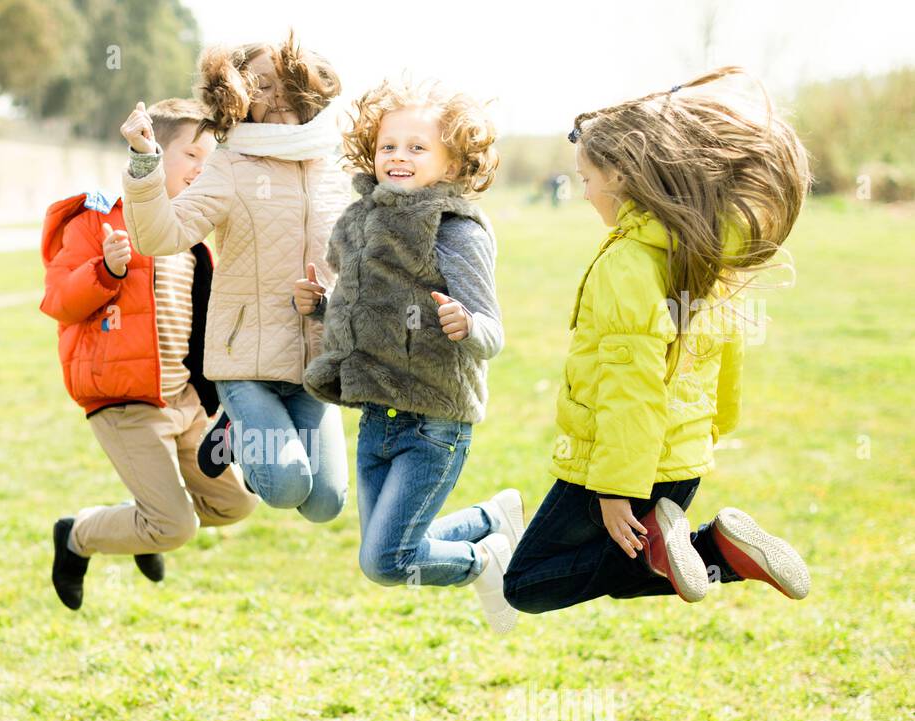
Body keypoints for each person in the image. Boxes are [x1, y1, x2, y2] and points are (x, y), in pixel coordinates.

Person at [503, 68, 812, 614]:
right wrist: (711, 432)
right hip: (684, 457)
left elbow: (632, 381)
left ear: (621, 176)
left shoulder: (628, 263)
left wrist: (614, 488)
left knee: (527, 584)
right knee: (629, 573)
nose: (585, 194)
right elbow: (726, 359)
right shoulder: (705, 250)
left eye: (586, 180)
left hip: (625, 464)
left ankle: (712, 547)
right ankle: (720, 551)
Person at [300, 79, 522, 632]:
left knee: (388, 561)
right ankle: (492, 518)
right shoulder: (363, 222)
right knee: (387, 554)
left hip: (434, 423)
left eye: (417, 147)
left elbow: (493, 332)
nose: (398, 157)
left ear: (451, 164)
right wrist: (323, 306)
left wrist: (466, 324)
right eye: (388, 147)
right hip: (377, 416)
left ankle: (484, 557)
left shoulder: (455, 230)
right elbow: (370, 312)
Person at [119, 31, 350, 525]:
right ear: (236, 95)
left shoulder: (334, 165)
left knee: (325, 503)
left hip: (316, 366)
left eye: (285, 82)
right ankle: (236, 428)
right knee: (287, 487)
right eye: (259, 86)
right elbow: (161, 234)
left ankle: (247, 433)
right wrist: (144, 161)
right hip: (246, 365)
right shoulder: (230, 165)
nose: (276, 96)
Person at [41, 99, 258, 610]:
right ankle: (77, 535)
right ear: (154, 152)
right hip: (126, 402)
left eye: (211, 158)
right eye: (191, 154)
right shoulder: (99, 220)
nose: (202, 168)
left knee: (236, 503)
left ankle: (147, 524)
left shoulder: (192, 237)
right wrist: (106, 273)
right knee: (175, 525)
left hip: (185, 402)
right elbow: (59, 301)